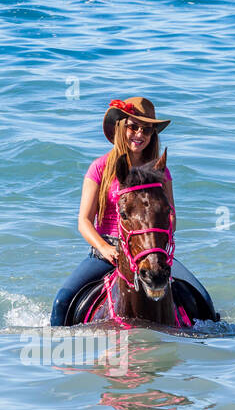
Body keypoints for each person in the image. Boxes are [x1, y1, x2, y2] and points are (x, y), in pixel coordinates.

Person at [50, 96, 217, 326]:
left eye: (146, 130)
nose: (139, 134)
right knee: (62, 301)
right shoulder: (100, 168)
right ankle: (59, 351)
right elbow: (84, 221)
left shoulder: (161, 171)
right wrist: (104, 247)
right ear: (121, 128)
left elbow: (171, 215)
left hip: (151, 249)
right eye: (133, 127)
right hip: (108, 250)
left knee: (203, 299)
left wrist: (158, 245)